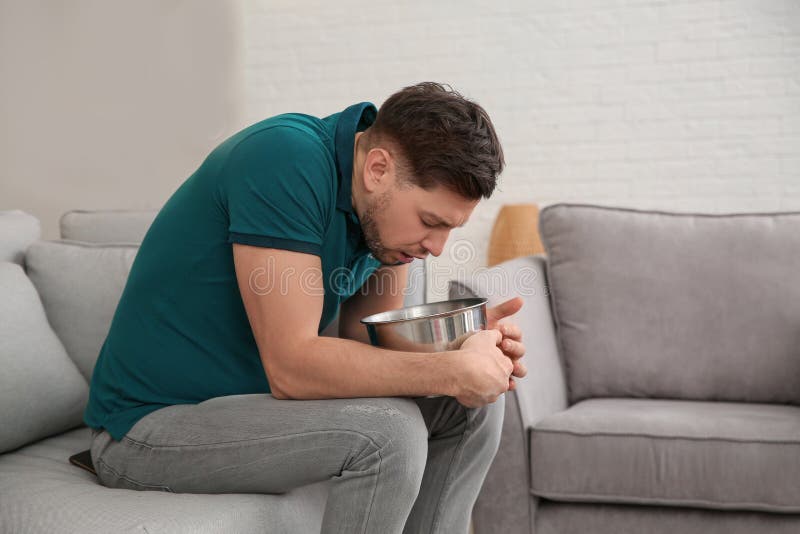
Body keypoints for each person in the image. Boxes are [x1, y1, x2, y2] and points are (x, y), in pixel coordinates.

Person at [84, 81, 528, 534]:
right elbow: (292, 368)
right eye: (430, 221)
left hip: (252, 410)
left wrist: (460, 344)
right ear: (377, 168)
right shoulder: (284, 160)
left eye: (450, 229)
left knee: (471, 408)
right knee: (389, 434)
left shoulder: (381, 221)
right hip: (148, 429)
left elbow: (368, 345)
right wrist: (450, 371)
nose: (437, 247)